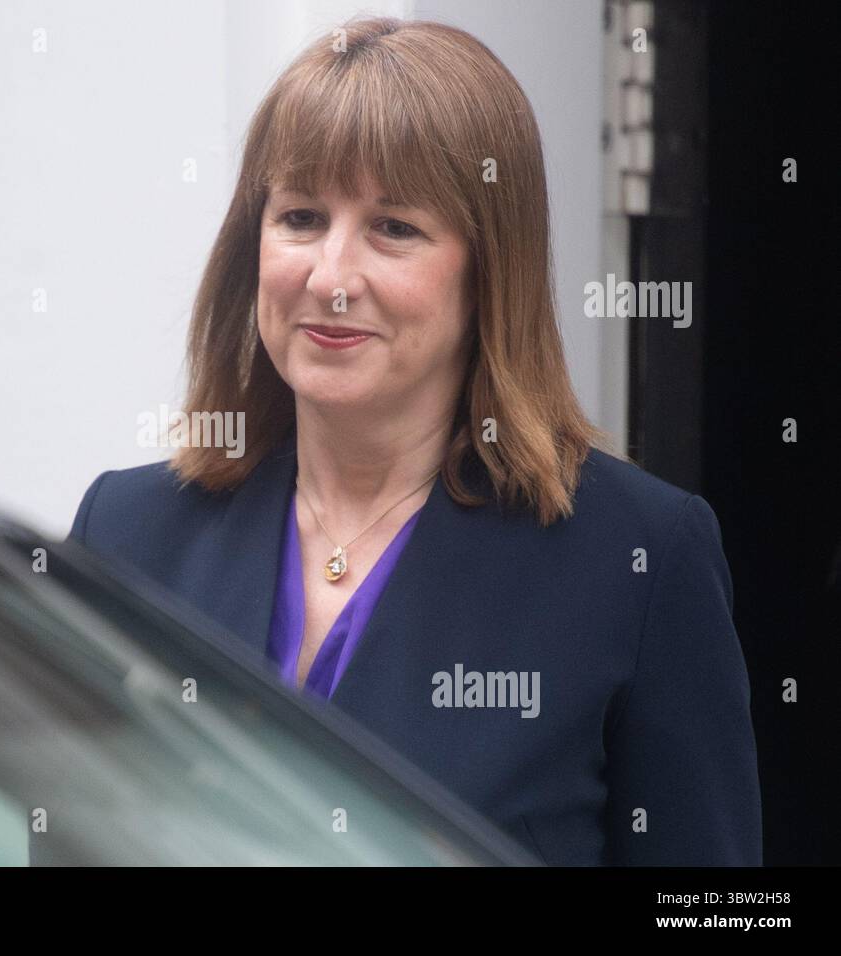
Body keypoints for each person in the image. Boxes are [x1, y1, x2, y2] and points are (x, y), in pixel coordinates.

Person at [68, 17, 760, 866]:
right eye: (301, 216)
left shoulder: (638, 562)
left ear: (488, 271)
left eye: (394, 227)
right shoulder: (127, 532)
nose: (330, 277)